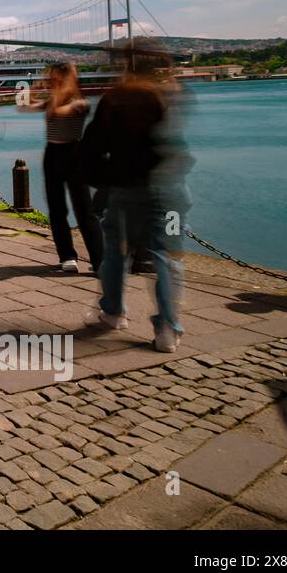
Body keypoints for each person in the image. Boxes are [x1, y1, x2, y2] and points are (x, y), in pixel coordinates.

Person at [80, 50, 183, 352]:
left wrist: (101, 181)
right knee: (167, 254)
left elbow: (91, 146)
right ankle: (168, 328)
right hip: (168, 186)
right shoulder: (169, 95)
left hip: (125, 187)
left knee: (116, 250)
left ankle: (113, 312)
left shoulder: (116, 99)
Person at [21, 63, 102, 273]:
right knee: (57, 209)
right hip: (53, 153)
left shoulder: (81, 104)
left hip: (74, 154)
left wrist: (60, 91)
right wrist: (34, 89)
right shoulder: (52, 100)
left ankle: (99, 260)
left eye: (57, 80)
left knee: (84, 209)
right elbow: (23, 106)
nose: (53, 83)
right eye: (52, 80)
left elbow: (57, 111)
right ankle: (67, 255)